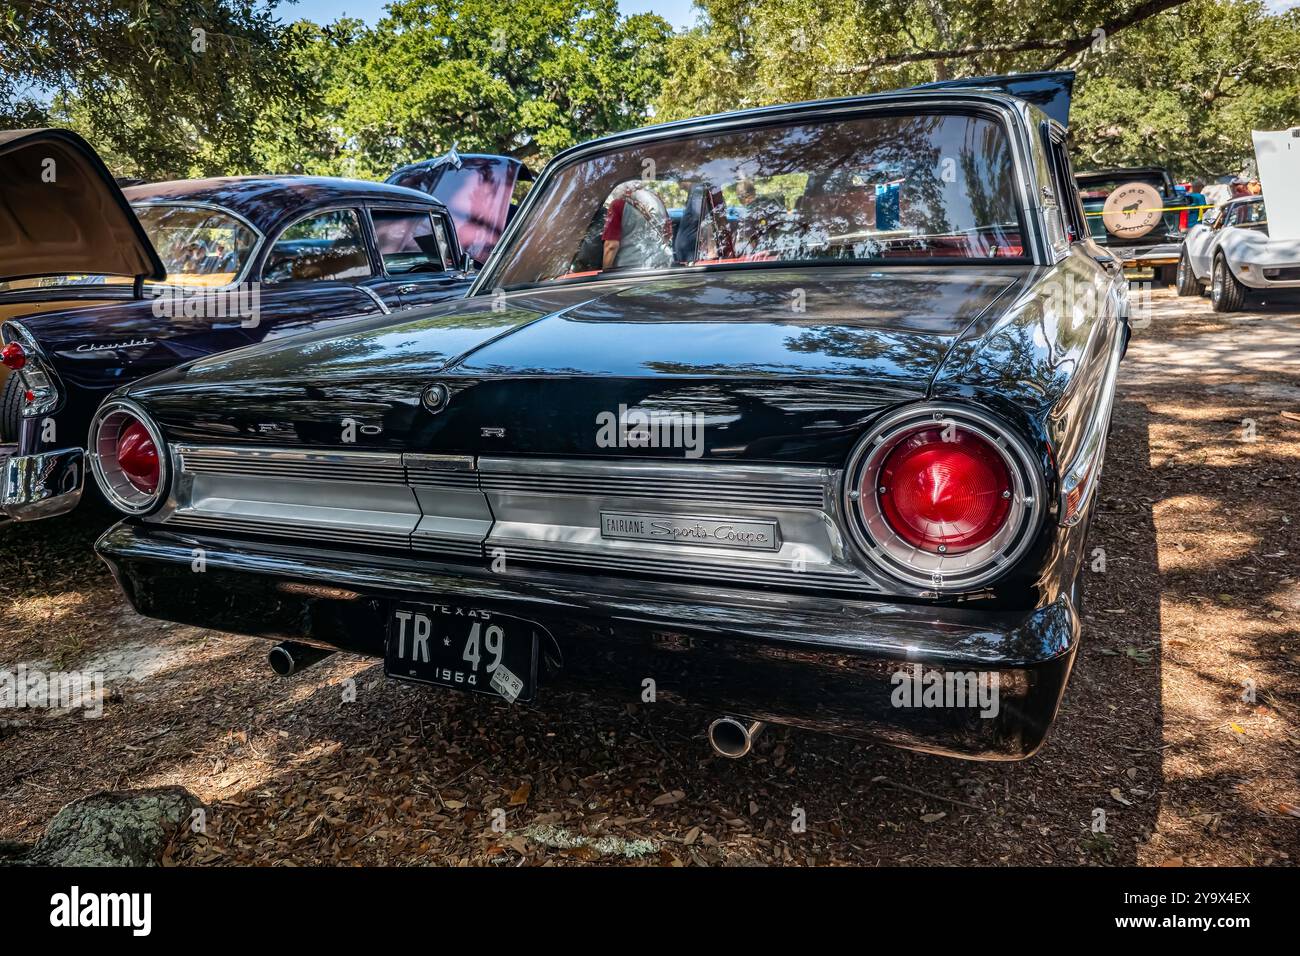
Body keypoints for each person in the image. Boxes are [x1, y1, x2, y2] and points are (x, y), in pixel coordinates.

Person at [600, 181, 673, 272]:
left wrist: (605, 272)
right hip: (662, 265)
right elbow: (668, 233)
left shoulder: (618, 205)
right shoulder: (656, 199)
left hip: (630, 270)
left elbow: (611, 246)